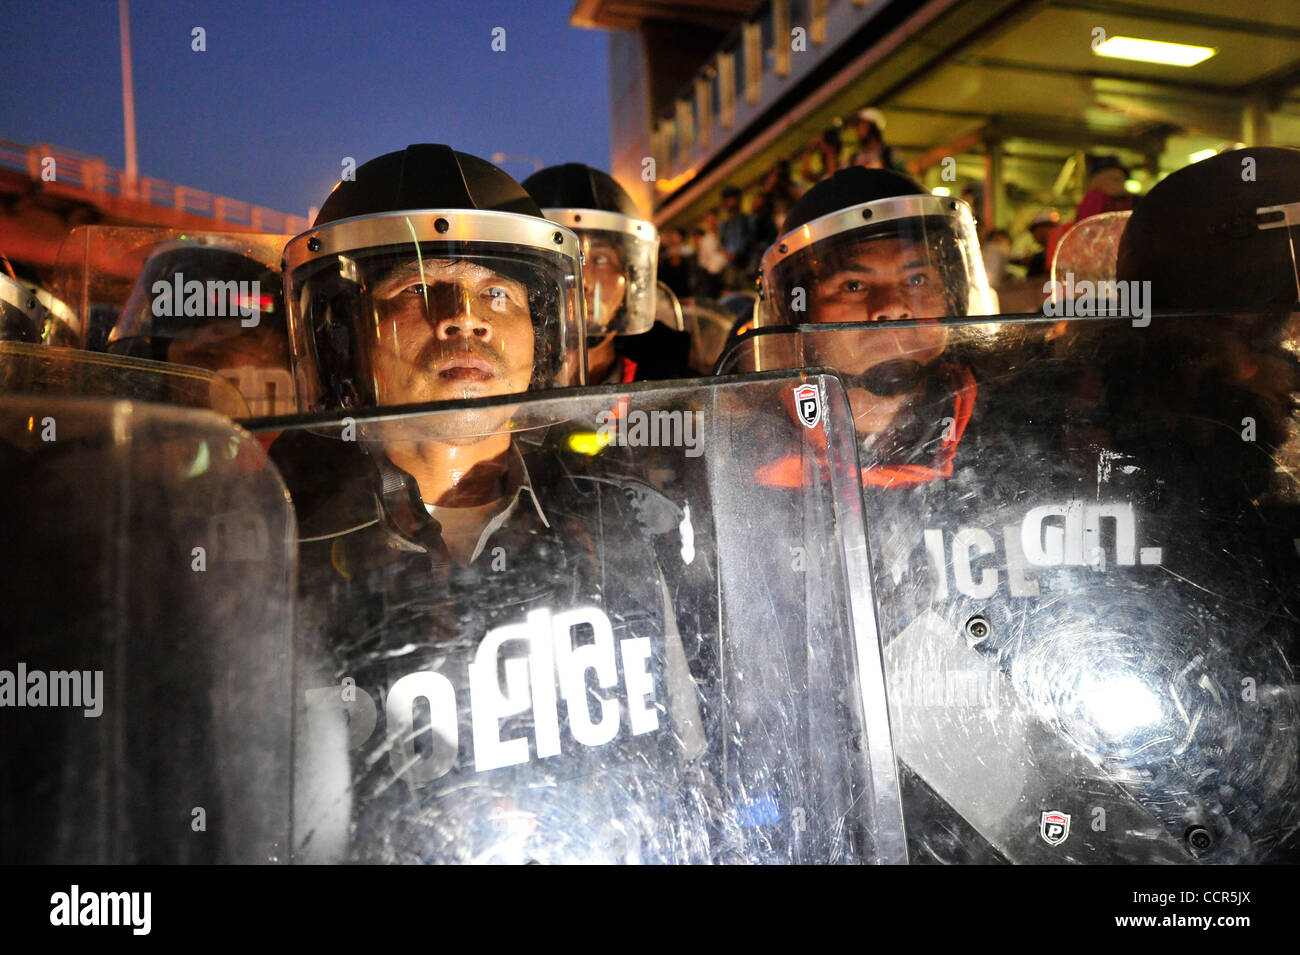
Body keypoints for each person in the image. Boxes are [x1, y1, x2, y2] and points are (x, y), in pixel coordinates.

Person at [270, 144, 715, 863]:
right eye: (417, 291)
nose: (464, 319)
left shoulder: (612, 517)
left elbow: (682, 771)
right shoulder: (276, 543)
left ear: (539, 333)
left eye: (498, 294)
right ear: (343, 339)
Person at [751, 165, 993, 486]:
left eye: (916, 279)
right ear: (798, 316)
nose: (892, 306)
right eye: (853, 285)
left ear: (954, 296)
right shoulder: (751, 451)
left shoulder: (1014, 421)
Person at [521, 163, 687, 382]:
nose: (583, 280)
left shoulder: (672, 392)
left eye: (600, 259)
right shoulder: (492, 397)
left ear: (630, 281)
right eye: (557, 259)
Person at [107, 237, 295, 416]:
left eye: (232, 322)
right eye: (183, 322)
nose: (198, 339)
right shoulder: (139, 437)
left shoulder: (298, 444)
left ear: (285, 354)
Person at [717, 185, 756, 290]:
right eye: (728, 200)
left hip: (748, 266)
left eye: (732, 198)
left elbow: (753, 240)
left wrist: (739, 253)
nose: (730, 202)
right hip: (733, 271)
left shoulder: (748, 219)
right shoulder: (724, 225)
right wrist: (727, 254)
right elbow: (722, 244)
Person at [1074, 155, 1134, 223]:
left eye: (1122, 179)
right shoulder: (1095, 198)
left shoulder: (1126, 199)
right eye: (1115, 180)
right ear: (1101, 180)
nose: (1120, 184)